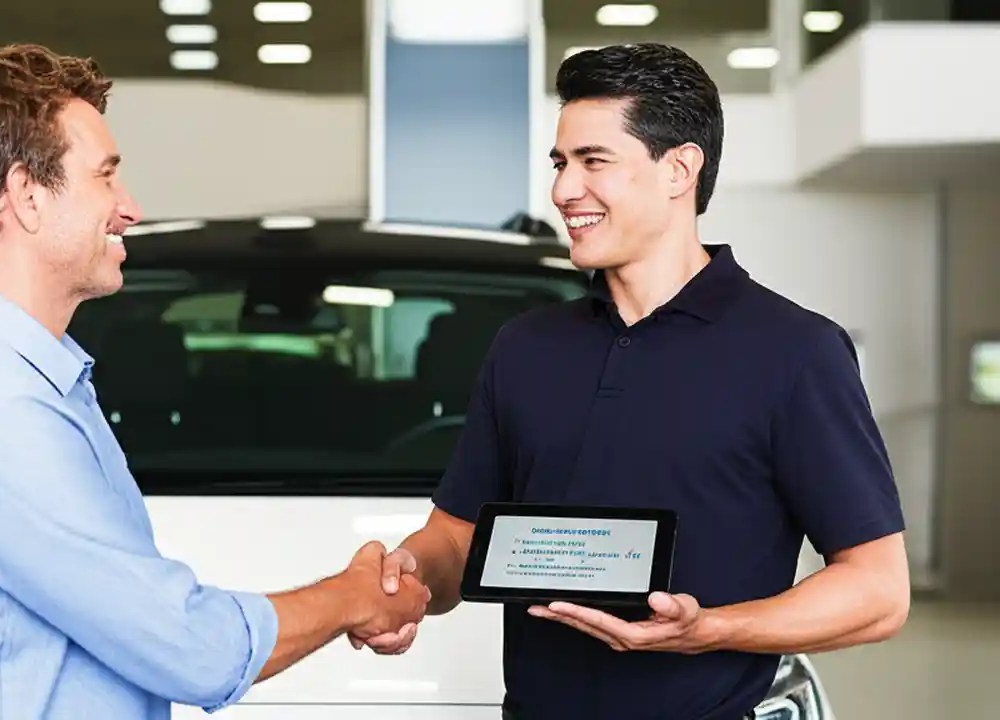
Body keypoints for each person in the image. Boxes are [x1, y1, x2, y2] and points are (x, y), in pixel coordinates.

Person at [0, 44, 429, 720]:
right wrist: (354, 596)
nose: (130, 208)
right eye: (105, 176)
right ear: (27, 196)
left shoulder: (10, 375)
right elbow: (192, 647)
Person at [351, 43, 911, 720]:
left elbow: (878, 592)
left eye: (594, 161)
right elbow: (456, 538)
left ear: (679, 169)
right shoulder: (525, 348)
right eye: (560, 163)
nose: (563, 190)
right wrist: (407, 578)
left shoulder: (795, 352)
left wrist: (709, 630)